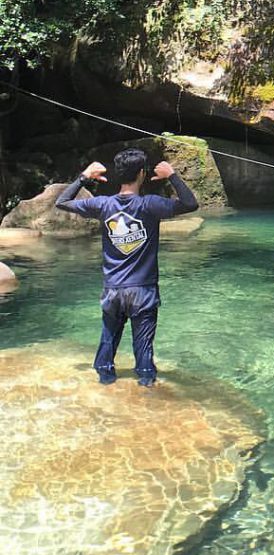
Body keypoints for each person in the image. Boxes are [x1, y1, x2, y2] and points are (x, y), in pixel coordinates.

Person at [54, 148, 199, 386]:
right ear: (142, 173)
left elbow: (62, 202)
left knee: (107, 345)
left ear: (118, 174)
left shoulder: (103, 205)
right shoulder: (150, 205)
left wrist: (84, 177)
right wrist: (172, 176)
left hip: (113, 290)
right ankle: (146, 389)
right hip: (143, 291)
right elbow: (190, 204)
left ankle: (105, 384)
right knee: (143, 352)